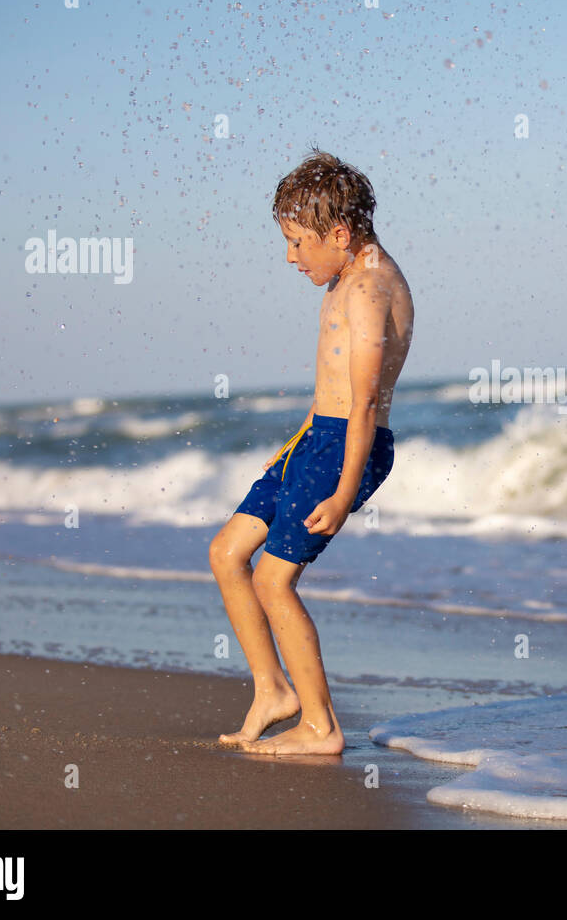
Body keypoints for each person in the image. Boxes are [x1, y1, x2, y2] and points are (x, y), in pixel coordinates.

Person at [208, 149, 414, 755]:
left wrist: (345, 491)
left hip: (348, 446)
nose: (291, 258)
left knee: (274, 580)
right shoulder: (349, 273)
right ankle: (273, 689)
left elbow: (366, 405)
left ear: (340, 234)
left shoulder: (370, 290)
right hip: (315, 438)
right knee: (227, 554)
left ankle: (321, 726)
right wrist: (296, 446)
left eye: (299, 243)